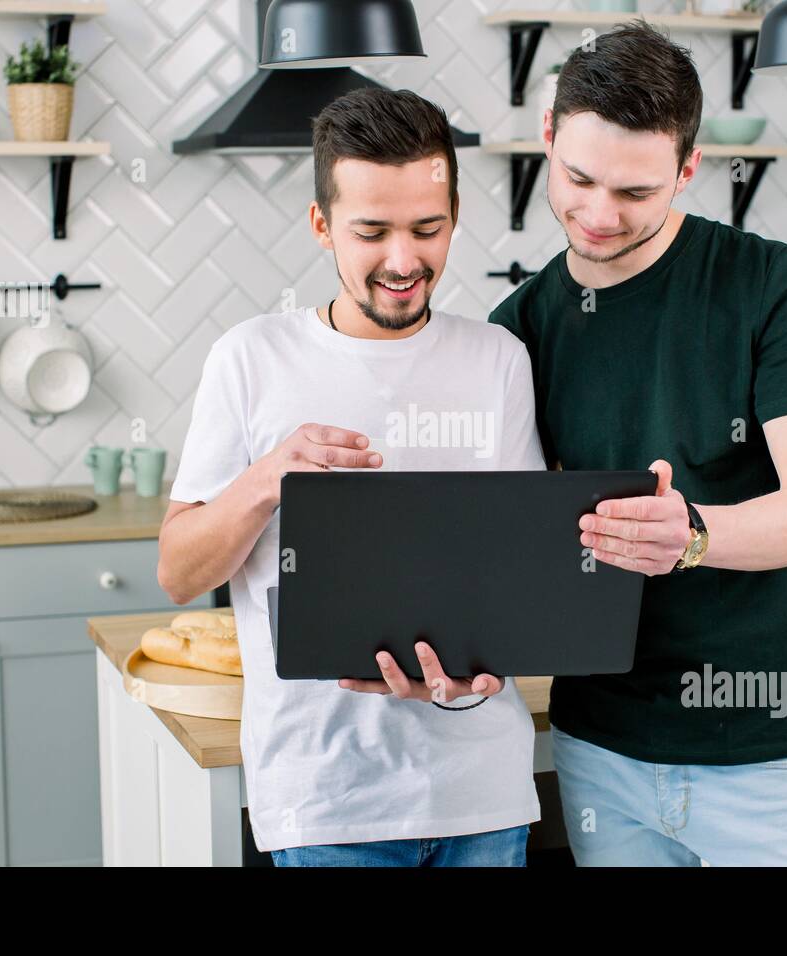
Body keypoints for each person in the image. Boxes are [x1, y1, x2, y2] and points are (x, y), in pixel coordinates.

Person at [489, 20, 787, 866]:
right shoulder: (519, 333)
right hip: (600, 748)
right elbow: (503, 540)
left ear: (687, 170)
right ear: (547, 135)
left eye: (636, 192)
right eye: (579, 178)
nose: (600, 213)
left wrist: (693, 535)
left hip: (764, 752)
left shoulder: (768, 281)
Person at [157, 86, 545, 866]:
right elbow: (177, 571)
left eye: (427, 230)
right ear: (322, 224)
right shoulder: (251, 357)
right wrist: (268, 478)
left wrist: (470, 676)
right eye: (372, 232)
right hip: (325, 801)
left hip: (483, 792)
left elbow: (522, 575)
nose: (404, 262)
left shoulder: (497, 359)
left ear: (455, 217)